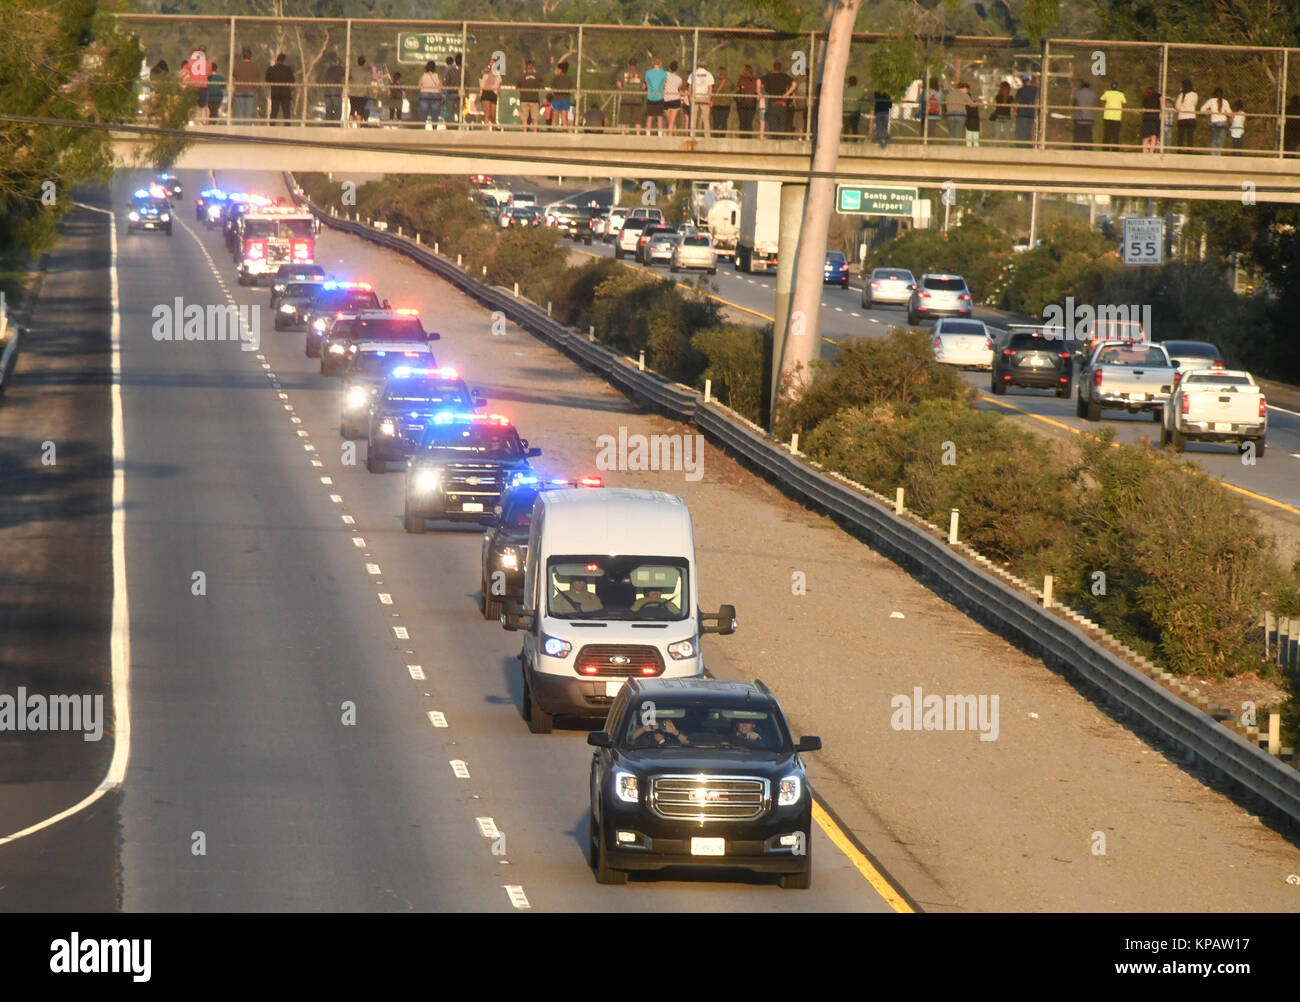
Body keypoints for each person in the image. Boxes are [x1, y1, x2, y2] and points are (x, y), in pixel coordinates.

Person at [759, 58, 794, 136]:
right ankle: (780, 138)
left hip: (772, 103)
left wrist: (758, 92)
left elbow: (759, 80)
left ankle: (774, 138)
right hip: (782, 103)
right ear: (780, 69)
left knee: (773, 124)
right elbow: (794, 84)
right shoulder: (784, 76)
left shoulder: (769, 76)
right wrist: (787, 94)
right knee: (782, 124)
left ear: (773, 68)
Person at [181, 46, 209, 124]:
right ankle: (204, 121)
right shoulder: (205, 63)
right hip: (202, 86)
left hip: (192, 86)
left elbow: (184, 74)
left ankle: (188, 121)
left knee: (189, 105)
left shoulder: (189, 63)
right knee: (203, 106)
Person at [616, 58, 644, 135]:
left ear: (628, 64)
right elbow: (644, 86)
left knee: (624, 120)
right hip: (637, 99)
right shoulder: (641, 73)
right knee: (638, 120)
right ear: (636, 64)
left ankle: (623, 134)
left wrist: (624, 90)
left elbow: (619, 85)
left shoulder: (622, 73)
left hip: (625, 99)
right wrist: (639, 90)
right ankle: (638, 134)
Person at [265, 52, 294, 124]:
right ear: (284, 61)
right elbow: (292, 80)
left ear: (277, 59)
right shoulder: (288, 69)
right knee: (286, 112)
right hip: (286, 93)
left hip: (275, 92)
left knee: (274, 111)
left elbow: (267, 80)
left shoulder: (271, 69)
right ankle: (287, 126)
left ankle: (272, 126)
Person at [231, 47, 258, 122]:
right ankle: (247, 126)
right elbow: (257, 74)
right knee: (248, 111)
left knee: (238, 111)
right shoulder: (254, 66)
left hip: (239, 90)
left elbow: (233, 74)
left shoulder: (237, 66)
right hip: (250, 90)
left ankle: (238, 126)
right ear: (250, 56)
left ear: (243, 56)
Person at [1201, 87, 1230, 154]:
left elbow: (1202, 109)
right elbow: (1229, 113)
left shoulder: (1211, 100)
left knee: (1214, 139)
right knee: (1220, 140)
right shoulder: (1225, 101)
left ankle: (1213, 155)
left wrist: (1209, 111)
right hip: (1223, 122)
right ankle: (1218, 155)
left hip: (1214, 122)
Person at [1099, 80, 1126, 150]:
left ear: (1110, 86)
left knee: (1107, 133)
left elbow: (1101, 100)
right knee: (1115, 134)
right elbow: (1124, 104)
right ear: (1117, 87)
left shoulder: (1107, 93)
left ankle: (1105, 148)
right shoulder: (1120, 94)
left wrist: (1104, 106)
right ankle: (1115, 148)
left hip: (1107, 116)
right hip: (1117, 117)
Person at [1014, 72, 1039, 147]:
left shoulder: (1020, 91)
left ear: (1023, 81)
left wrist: (1015, 111)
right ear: (1030, 80)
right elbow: (1038, 101)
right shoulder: (1036, 90)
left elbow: (1016, 103)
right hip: (1031, 114)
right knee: (1029, 131)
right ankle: (1029, 146)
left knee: (1022, 131)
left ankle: (1021, 146)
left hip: (1022, 114)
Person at [689, 61, 714, 136]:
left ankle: (692, 134)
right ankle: (707, 135)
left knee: (693, 117)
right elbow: (710, 87)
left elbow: (690, 86)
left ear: (698, 65)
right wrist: (709, 98)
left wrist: (690, 97)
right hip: (704, 97)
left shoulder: (693, 74)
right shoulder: (709, 74)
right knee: (706, 118)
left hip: (695, 96)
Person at [1071, 79, 1097, 149]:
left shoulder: (1077, 93)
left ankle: (1077, 147)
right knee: (1088, 134)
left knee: (1078, 134)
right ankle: (1088, 148)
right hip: (1089, 118)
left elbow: (1074, 103)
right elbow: (1094, 103)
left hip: (1079, 118)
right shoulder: (1093, 94)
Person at [517, 60, 541, 131]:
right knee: (535, 118)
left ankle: (525, 131)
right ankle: (535, 131)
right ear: (533, 68)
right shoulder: (537, 76)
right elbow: (541, 83)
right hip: (534, 99)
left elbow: (518, 86)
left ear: (525, 68)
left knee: (524, 118)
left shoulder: (522, 77)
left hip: (524, 99)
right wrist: (534, 73)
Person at [644, 57, 667, 134]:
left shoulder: (648, 73)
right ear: (660, 63)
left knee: (649, 116)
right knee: (659, 116)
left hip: (650, 96)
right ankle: (660, 133)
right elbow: (664, 85)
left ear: (652, 63)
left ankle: (648, 133)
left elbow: (647, 84)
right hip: (660, 96)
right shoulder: (663, 73)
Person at [417, 61, 442, 128]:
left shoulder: (423, 76)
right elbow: (440, 87)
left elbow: (419, 86)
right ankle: (434, 128)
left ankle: (423, 128)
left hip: (424, 94)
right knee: (435, 114)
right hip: (435, 95)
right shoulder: (438, 76)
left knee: (424, 113)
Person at [1174, 78, 1197, 149]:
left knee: (1181, 136)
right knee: (1190, 136)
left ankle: (1180, 150)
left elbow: (1177, 107)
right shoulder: (1194, 95)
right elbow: (1195, 103)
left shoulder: (1181, 95)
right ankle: (1189, 150)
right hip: (1191, 117)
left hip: (1182, 118)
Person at [735, 64, 758, 136]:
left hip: (742, 103)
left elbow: (737, 90)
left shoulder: (741, 80)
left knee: (742, 122)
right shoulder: (755, 80)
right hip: (752, 102)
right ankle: (749, 137)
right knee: (749, 122)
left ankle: (742, 137)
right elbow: (757, 90)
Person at [549, 60, 572, 129]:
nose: (556, 70)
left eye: (557, 69)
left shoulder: (556, 78)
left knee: (554, 118)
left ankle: (553, 130)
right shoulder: (568, 79)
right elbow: (569, 87)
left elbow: (553, 88)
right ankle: (565, 130)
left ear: (560, 70)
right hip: (565, 99)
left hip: (557, 99)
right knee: (564, 118)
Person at [348, 55, 369, 126]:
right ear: (364, 63)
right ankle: (358, 126)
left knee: (352, 110)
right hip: (362, 94)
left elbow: (348, 78)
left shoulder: (353, 70)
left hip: (353, 93)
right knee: (360, 112)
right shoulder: (366, 72)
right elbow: (368, 82)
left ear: (357, 62)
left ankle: (350, 126)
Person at [1139, 84, 1161, 153]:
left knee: (1145, 136)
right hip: (1155, 118)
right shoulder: (1158, 97)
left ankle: (1144, 150)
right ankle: (1151, 151)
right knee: (1154, 135)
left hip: (1147, 118)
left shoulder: (1146, 96)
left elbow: (1143, 108)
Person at [479, 59, 500, 129]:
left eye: (493, 63)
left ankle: (494, 130)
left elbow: (499, 83)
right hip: (486, 92)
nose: (491, 64)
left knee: (493, 116)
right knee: (487, 114)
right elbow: (480, 78)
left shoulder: (497, 73)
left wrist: (498, 92)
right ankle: (486, 130)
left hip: (493, 93)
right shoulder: (485, 72)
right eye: (490, 62)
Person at [323, 54, 344, 123]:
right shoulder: (339, 69)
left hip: (327, 90)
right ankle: (336, 124)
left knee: (328, 109)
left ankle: (328, 123)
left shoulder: (328, 70)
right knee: (337, 109)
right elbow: (348, 75)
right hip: (336, 90)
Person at [664, 60, 683, 136]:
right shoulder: (679, 79)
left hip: (666, 99)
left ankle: (670, 135)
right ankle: (674, 135)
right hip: (675, 99)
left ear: (669, 68)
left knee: (670, 121)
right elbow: (679, 88)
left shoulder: (665, 75)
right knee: (672, 121)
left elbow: (663, 84)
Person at [710, 67, 731, 136]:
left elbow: (712, 90)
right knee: (724, 121)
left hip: (716, 104)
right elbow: (733, 88)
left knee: (716, 121)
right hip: (726, 105)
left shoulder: (715, 81)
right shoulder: (728, 82)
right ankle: (723, 135)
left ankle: (715, 135)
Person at [842, 74, 863, 138]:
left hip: (846, 112)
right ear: (856, 82)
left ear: (849, 82)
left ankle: (845, 140)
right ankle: (855, 140)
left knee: (846, 128)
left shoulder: (845, 91)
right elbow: (862, 99)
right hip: (856, 112)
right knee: (855, 127)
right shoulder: (860, 91)